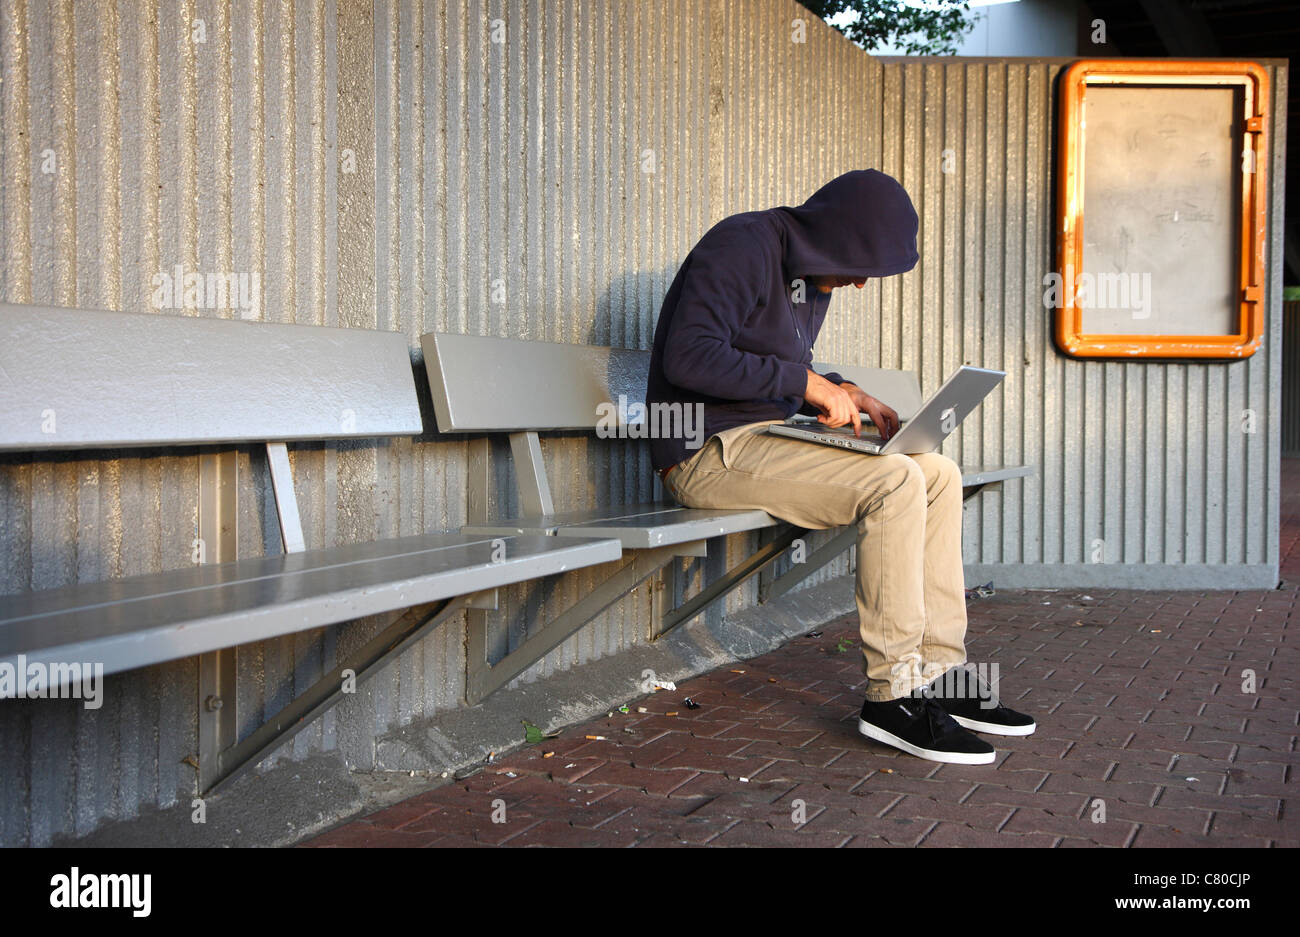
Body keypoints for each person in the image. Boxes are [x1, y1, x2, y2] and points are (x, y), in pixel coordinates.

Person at [646, 169, 1034, 765]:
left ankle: (940, 674)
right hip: (705, 451)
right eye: (858, 266)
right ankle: (894, 697)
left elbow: (769, 360)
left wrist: (844, 389)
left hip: (763, 438)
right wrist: (804, 381)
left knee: (937, 473)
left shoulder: (808, 277)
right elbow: (690, 355)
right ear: (833, 235)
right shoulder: (741, 245)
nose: (856, 284)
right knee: (895, 480)